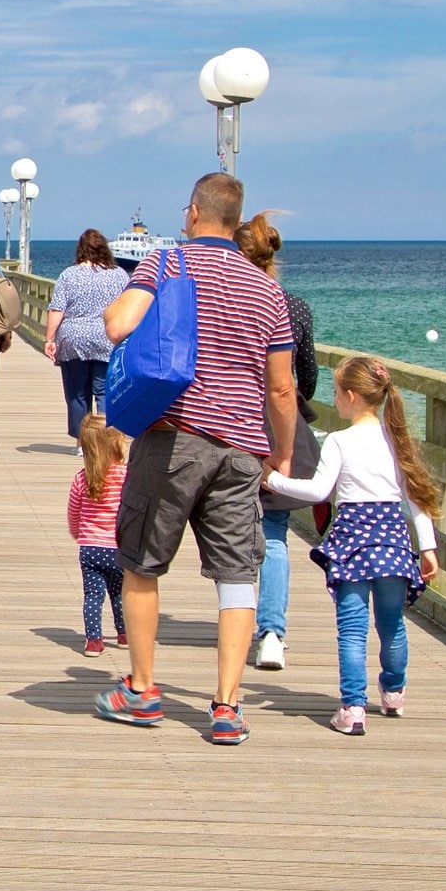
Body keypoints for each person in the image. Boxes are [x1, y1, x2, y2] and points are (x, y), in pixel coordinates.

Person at [91, 172, 297, 746]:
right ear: (237, 220)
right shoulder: (267, 290)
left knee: (141, 563)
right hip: (242, 451)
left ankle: (144, 690)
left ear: (192, 214)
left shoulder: (169, 264)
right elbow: (281, 390)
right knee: (237, 576)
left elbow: (117, 323)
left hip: (174, 437)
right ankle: (227, 707)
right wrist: (278, 452)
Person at [262, 356, 442, 735]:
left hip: (353, 542)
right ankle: (393, 692)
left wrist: (274, 481)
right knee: (392, 624)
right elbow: (417, 500)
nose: (335, 400)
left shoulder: (340, 442)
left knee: (352, 628)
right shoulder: (397, 440)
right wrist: (427, 547)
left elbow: (318, 491)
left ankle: (353, 707)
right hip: (392, 539)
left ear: (351, 396)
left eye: (336, 394)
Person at [236, 211, 320, 671]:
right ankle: (271, 631)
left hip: (226, 424)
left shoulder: (223, 298)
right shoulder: (293, 305)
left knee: (228, 528)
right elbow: (302, 376)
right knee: (274, 533)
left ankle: (238, 617)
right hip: (275, 428)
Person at [43, 229, 129, 440]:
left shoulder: (69, 274)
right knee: (103, 392)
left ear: (80, 250)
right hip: (106, 338)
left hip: (73, 339)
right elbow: (127, 307)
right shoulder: (119, 275)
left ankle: (82, 442)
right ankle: (104, 439)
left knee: (77, 393)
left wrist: (49, 339)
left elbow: (57, 310)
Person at [67, 413, 132, 655]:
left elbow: (74, 512)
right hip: (119, 547)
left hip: (90, 548)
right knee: (120, 593)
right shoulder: (125, 476)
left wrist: (78, 533)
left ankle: (94, 640)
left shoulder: (82, 478)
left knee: (93, 595)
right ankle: (124, 634)